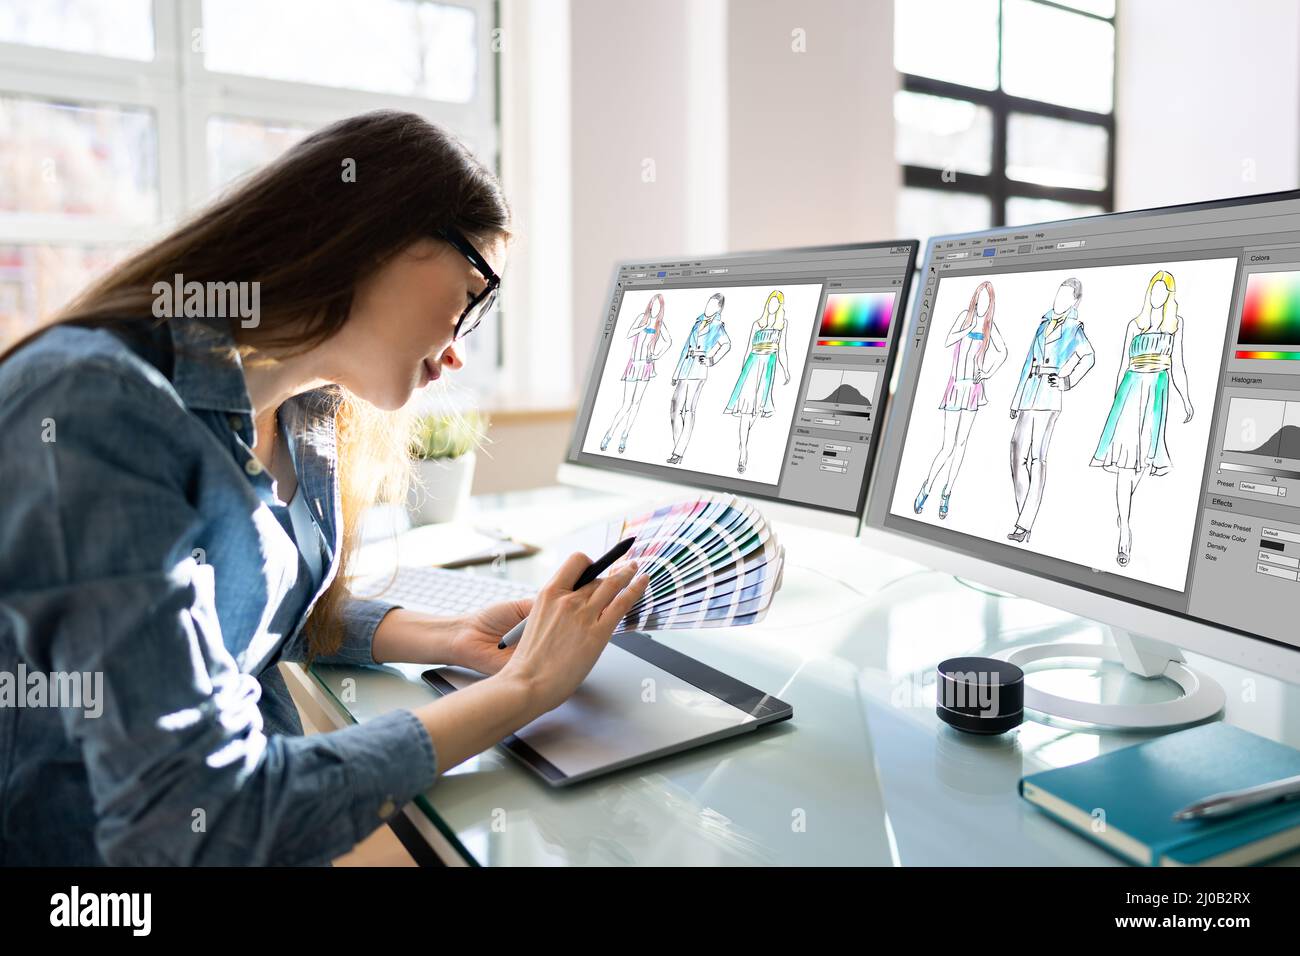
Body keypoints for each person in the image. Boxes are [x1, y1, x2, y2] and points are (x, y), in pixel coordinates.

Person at [0, 110, 649, 865]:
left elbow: (218, 613)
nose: (461, 348)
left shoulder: (306, 415)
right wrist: (524, 688)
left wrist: (437, 635)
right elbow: (201, 817)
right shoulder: (92, 410)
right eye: (476, 292)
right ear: (376, 232)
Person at [1091, 270, 1194, 566]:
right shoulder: (1133, 325)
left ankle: (1125, 515)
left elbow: (1178, 366)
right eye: (1154, 290)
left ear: (1169, 295)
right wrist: (1115, 401)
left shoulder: (1176, 326)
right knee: (1125, 463)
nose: (1157, 295)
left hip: (1157, 390)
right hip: (1130, 389)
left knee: (1145, 462)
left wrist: (1185, 398)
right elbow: (1123, 363)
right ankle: (1124, 529)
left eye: (1163, 291)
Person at [1006, 278, 1094, 544]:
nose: (1060, 300)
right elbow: (1026, 362)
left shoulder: (1074, 328)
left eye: (1067, 297)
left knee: (1036, 458)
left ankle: (1024, 524)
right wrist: (1015, 399)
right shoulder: (1043, 323)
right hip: (1029, 393)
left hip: (1049, 395)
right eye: (1059, 294)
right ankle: (1025, 518)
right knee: (1015, 451)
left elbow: (1088, 356)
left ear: (1075, 302)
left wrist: (1066, 380)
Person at [914, 281, 1007, 519]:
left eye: (987, 300)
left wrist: (986, 373)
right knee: (947, 446)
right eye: (980, 298)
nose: (982, 304)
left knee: (961, 445)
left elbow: (1003, 352)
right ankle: (926, 487)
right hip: (955, 387)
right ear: (975, 299)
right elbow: (948, 340)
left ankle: (947, 492)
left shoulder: (990, 326)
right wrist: (969, 327)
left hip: (973, 389)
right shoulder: (963, 318)